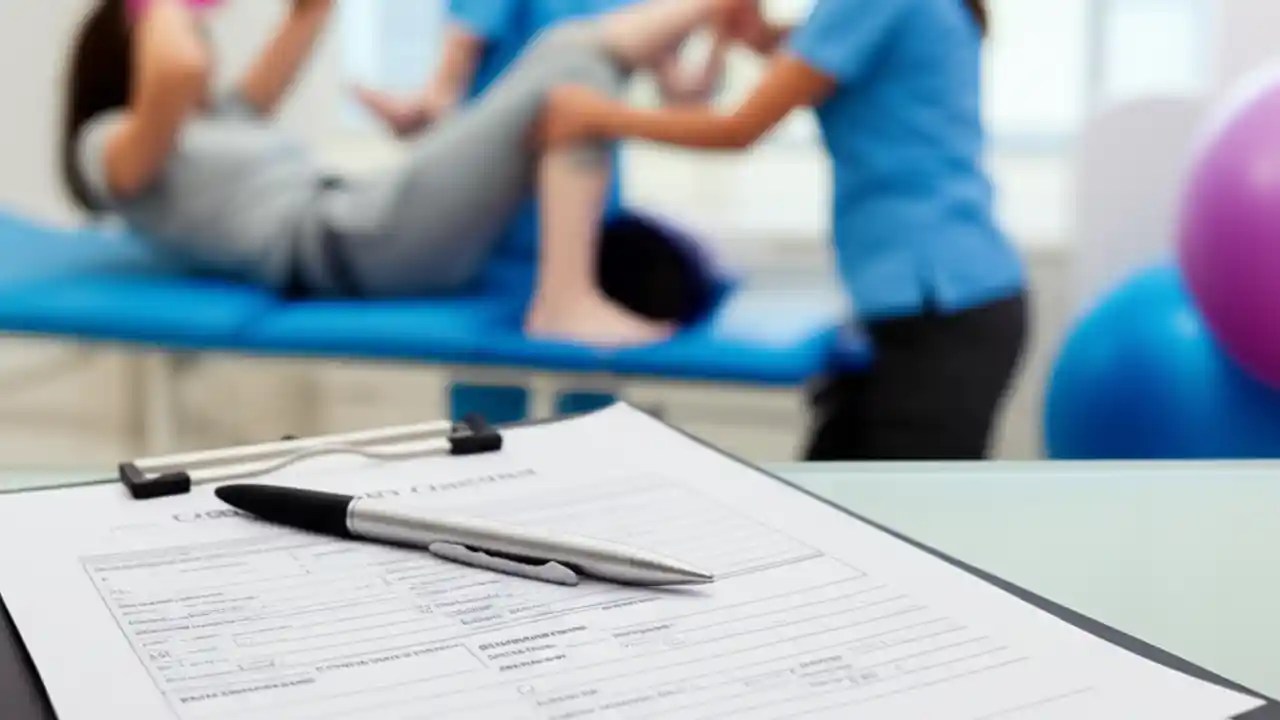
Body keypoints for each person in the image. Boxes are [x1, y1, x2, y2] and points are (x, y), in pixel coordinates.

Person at [61, 0, 739, 346]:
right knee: (567, 66)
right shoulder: (108, 151)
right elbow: (175, 69)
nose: (202, 51)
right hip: (348, 245)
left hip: (368, 218)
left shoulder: (224, 120)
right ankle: (561, 304)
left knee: (572, 70)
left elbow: (312, 11)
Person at [540, 0, 1028, 460]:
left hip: (941, 311)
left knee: (889, 521)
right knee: (833, 500)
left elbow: (739, 127)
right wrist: (760, 35)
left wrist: (596, 117)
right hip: (944, 304)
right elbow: (823, 54)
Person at [354, 0, 728, 276]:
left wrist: (722, 34)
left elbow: (686, 96)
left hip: (589, 214)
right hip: (502, 215)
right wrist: (409, 115)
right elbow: (440, 100)